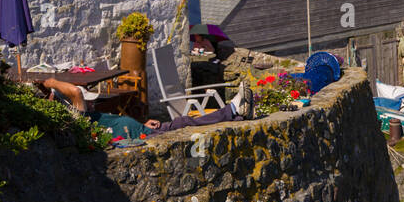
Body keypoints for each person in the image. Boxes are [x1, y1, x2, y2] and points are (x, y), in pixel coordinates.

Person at [39, 76, 252, 140]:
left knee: (183, 122)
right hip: (146, 136)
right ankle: (232, 111)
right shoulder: (80, 118)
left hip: (144, 128)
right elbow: (75, 93)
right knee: (184, 122)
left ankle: (234, 114)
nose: (92, 102)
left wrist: (141, 122)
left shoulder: (88, 115)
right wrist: (50, 82)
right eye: (89, 100)